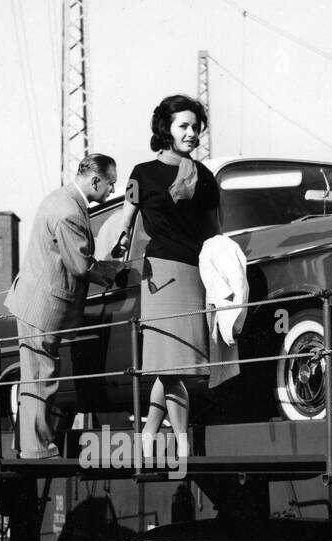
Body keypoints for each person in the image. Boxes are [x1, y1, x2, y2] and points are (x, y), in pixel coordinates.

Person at [112, 94, 221, 462]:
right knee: (170, 365)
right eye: (183, 126)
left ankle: (148, 433)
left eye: (195, 127)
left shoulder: (205, 178)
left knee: (171, 365)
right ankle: (181, 441)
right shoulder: (140, 173)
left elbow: (215, 234)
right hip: (159, 273)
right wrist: (115, 250)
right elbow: (125, 223)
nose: (191, 134)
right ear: (166, 129)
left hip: (194, 273)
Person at [4, 155, 124, 459]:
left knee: (34, 374)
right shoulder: (70, 211)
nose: (112, 190)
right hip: (45, 305)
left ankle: (28, 444)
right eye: (111, 183)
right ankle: (37, 448)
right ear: (96, 180)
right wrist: (112, 270)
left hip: (33, 300)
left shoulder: (59, 199)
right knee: (42, 375)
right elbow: (81, 264)